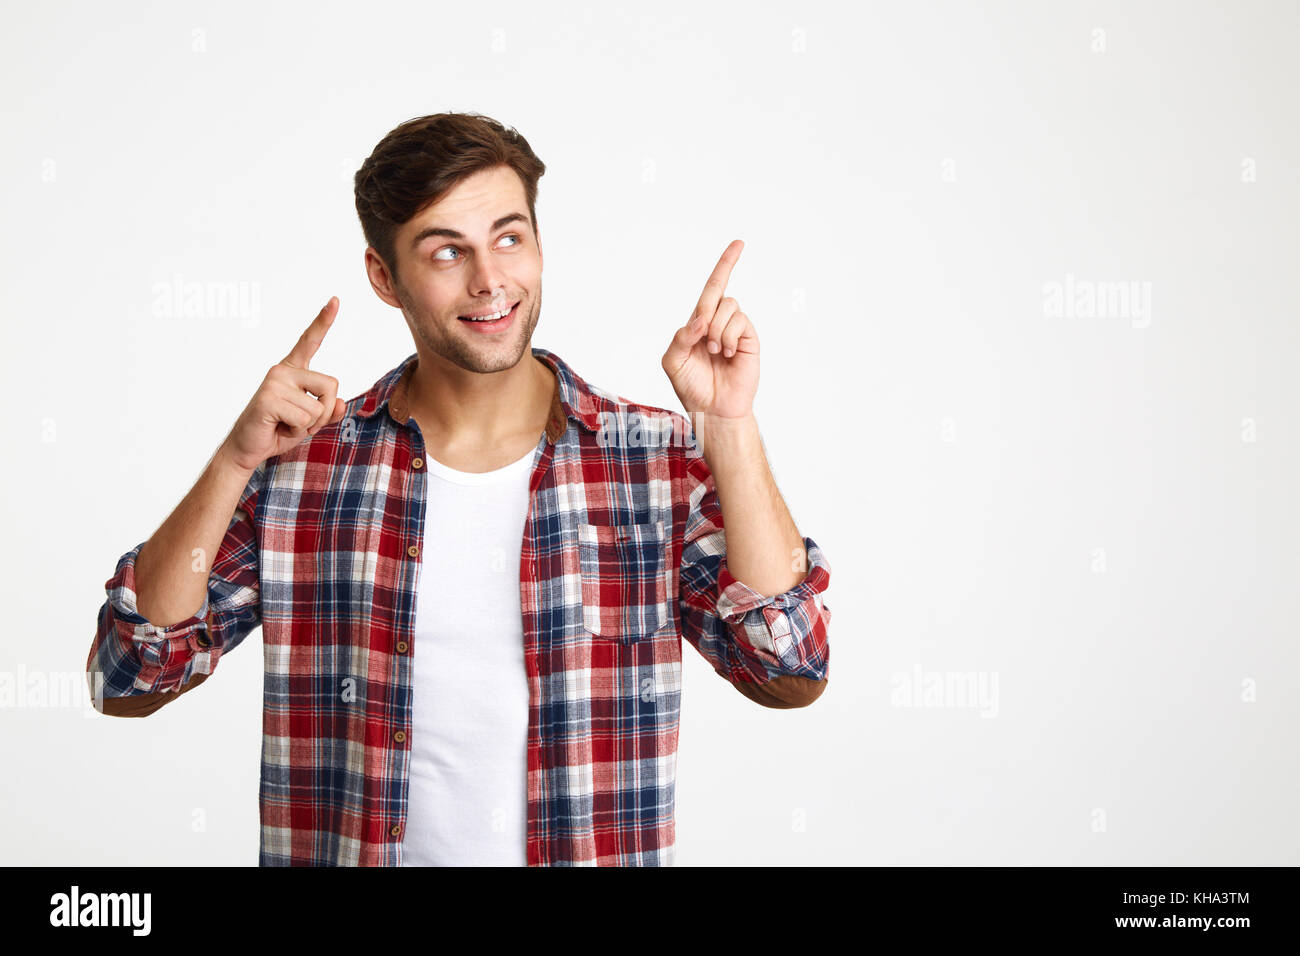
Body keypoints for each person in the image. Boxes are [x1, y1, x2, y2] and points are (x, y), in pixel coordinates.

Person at [86, 111, 833, 866]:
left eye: (509, 237)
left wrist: (727, 424)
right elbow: (130, 674)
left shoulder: (652, 460)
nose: (489, 280)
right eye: (447, 251)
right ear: (385, 277)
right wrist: (233, 463)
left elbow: (788, 667)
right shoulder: (306, 471)